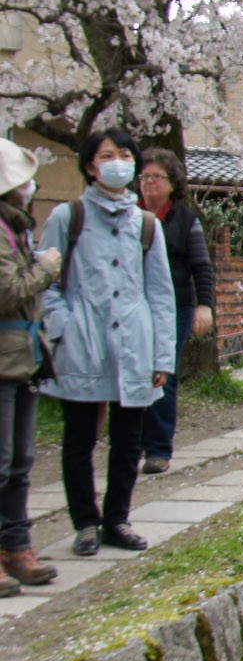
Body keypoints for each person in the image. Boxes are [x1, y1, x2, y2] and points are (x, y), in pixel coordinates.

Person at [39, 128, 176, 556]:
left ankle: (117, 518)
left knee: (128, 440)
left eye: (124, 154)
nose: (117, 161)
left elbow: (160, 294)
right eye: (106, 154)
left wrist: (162, 354)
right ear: (90, 166)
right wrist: (63, 327)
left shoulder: (146, 225)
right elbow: (45, 282)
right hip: (84, 340)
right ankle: (84, 521)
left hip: (134, 343)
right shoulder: (69, 216)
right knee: (79, 438)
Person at [0, 140, 61, 594]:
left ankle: (18, 546)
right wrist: (46, 268)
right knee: (2, 460)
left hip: (25, 355)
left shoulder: (17, 229)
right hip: (4, 358)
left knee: (21, 459)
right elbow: (8, 290)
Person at [133, 150, 217, 474]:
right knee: (135, 370)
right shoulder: (130, 217)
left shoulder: (185, 220)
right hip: (133, 306)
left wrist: (204, 305)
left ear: (172, 184)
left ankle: (158, 447)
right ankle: (135, 438)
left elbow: (200, 265)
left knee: (162, 371)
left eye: (157, 177)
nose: (149, 183)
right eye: (145, 177)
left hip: (176, 306)